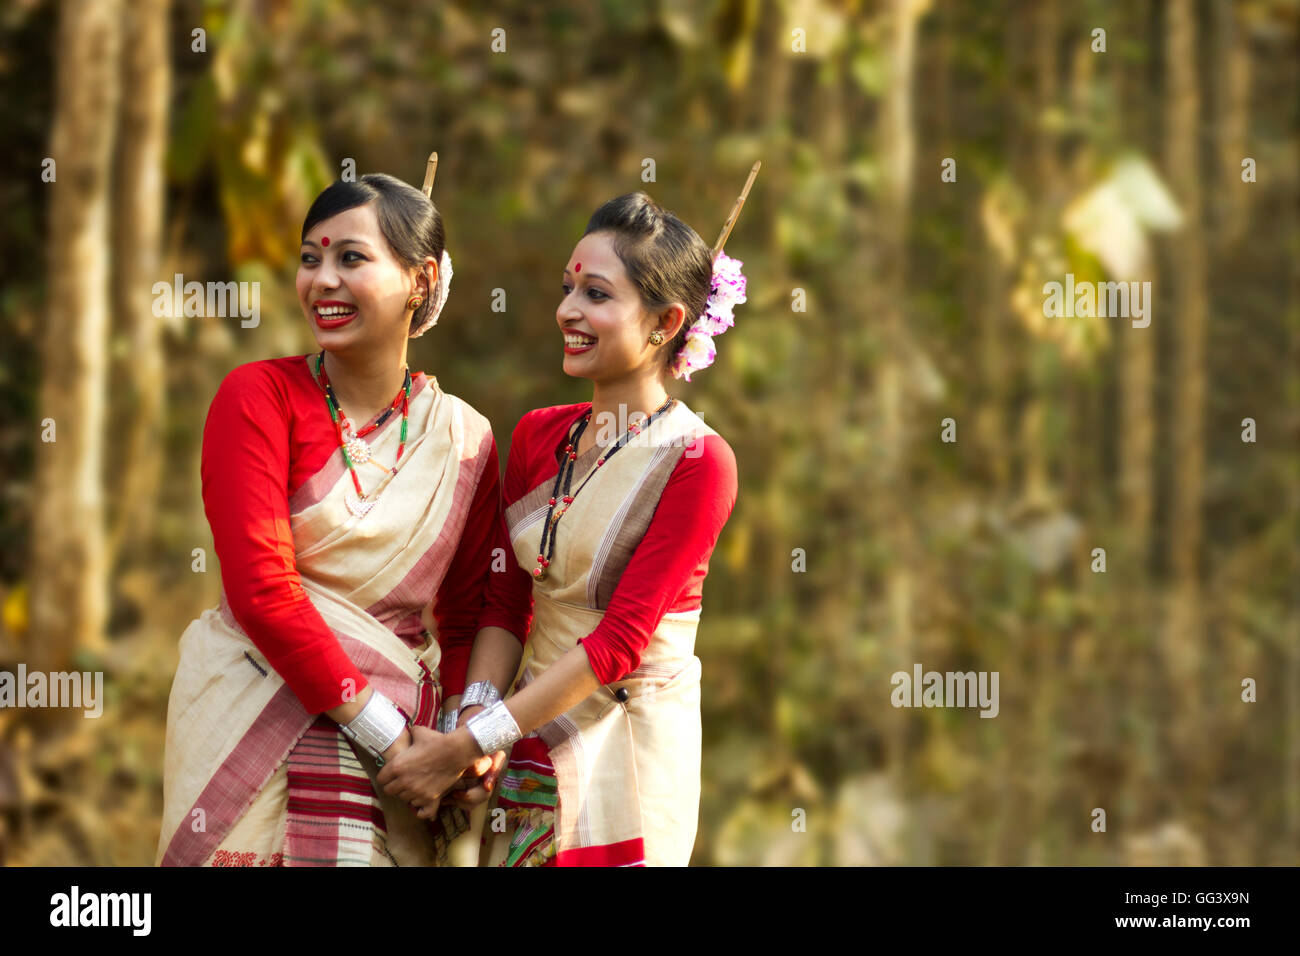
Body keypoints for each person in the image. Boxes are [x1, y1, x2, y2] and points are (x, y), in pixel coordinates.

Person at [157, 173, 518, 866]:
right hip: (252, 708)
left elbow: (471, 610)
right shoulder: (258, 397)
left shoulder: (464, 438)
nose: (322, 280)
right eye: (309, 258)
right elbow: (263, 592)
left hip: (404, 767)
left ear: (422, 279)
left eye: (351, 258)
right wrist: (391, 738)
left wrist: (460, 738)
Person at [378, 191, 743, 866]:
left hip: (624, 747)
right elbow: (506, 601)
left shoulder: (698, 462)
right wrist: (472, 720)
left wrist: (470, 742)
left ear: (667, 322)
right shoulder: (540, 436)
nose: (568, 311)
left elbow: (618, 646)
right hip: (526, 742)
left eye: (597, 295)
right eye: (568, 288)